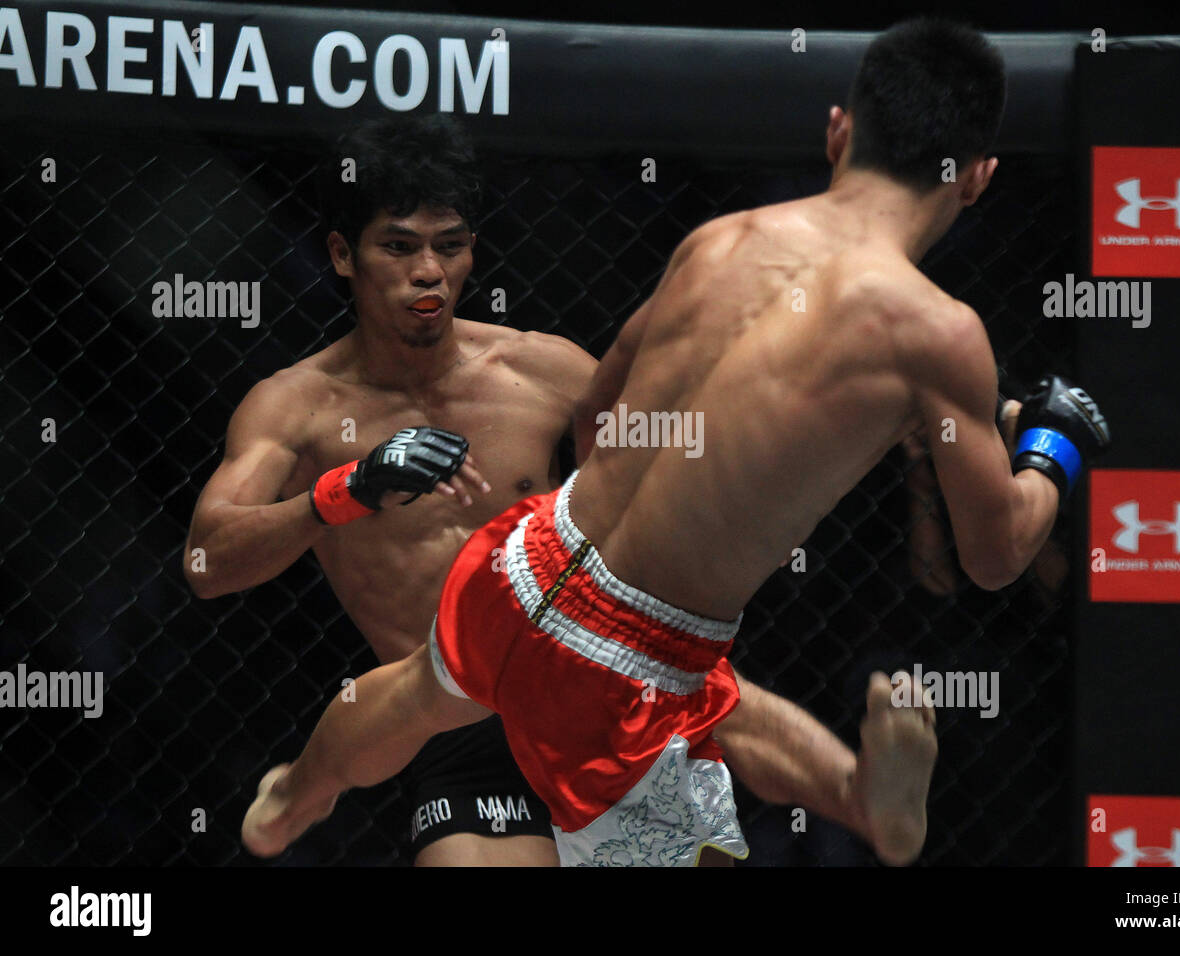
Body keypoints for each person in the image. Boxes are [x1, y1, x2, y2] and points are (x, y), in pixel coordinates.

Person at [242, 17, 1110, 866]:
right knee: (679, 715)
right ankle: (859, 798)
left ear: (839, 131)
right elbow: (994, 556)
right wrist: (1054, 445)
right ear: (978, 177)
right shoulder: (937, 333)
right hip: (630, 657)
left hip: (530, 555)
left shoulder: (720, 241)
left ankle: (293, 796)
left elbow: (596, 414)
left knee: (428, 686)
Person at [187, 115, 912, 866]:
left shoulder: (545, 372)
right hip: (454, 729)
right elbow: (208, 562)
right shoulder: (295, 408)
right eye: (399, 247)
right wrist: (346, 490)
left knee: (688, 669)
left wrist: (858, 416)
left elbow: (677, 453)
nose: (428, 271)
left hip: (604, 692)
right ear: (343, 254)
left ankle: (859, 792)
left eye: (450, 245)